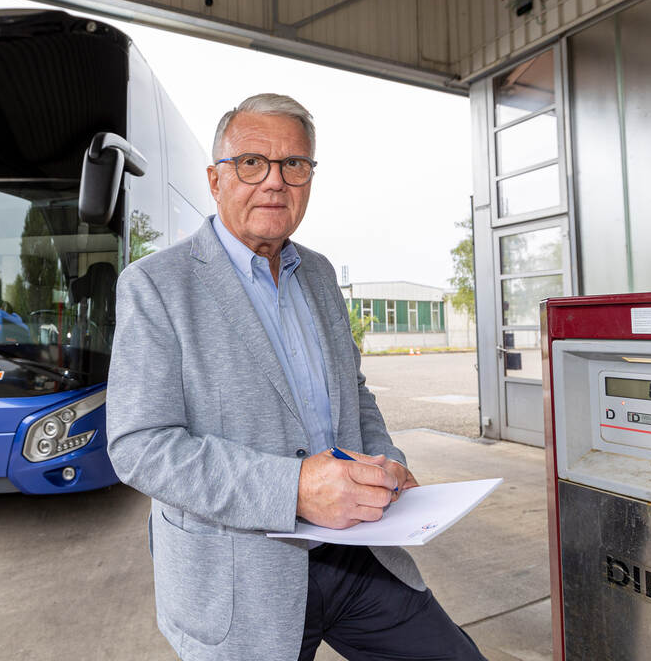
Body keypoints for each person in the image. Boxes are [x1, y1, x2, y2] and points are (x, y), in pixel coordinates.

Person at [106, 93, 485, 661]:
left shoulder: (320, 274)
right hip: (242, 577)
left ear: (309, 177)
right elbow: (140, 446)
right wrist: (294, 490)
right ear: (215, 179)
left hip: (357, 556)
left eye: (294, 165)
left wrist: (385, 460)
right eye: (251, 162)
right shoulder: (155, 285)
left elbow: (352, 392)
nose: (275, 182)